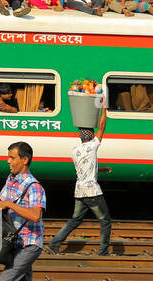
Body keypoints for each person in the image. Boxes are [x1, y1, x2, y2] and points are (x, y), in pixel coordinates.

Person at [0, 141, 72, 281]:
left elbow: (35, 215)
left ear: (24, 160)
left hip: (30, 242)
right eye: (8, 157)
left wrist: (9, 204)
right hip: (16, 242)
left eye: (12, 157)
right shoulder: (11, 180)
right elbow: (2, 201)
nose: (8, 161)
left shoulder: (34, 186)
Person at [47, 104, 111, 256]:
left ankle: (54, 244)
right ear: (91, 136)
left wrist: (101, 169)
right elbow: (102, 125)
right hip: (92, 191)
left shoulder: (74, 152)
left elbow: (84, 168)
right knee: (105, 221)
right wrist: (104, 108)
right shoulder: (93, 145)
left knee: (75, 220)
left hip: (79, 190)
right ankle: (103, 252)